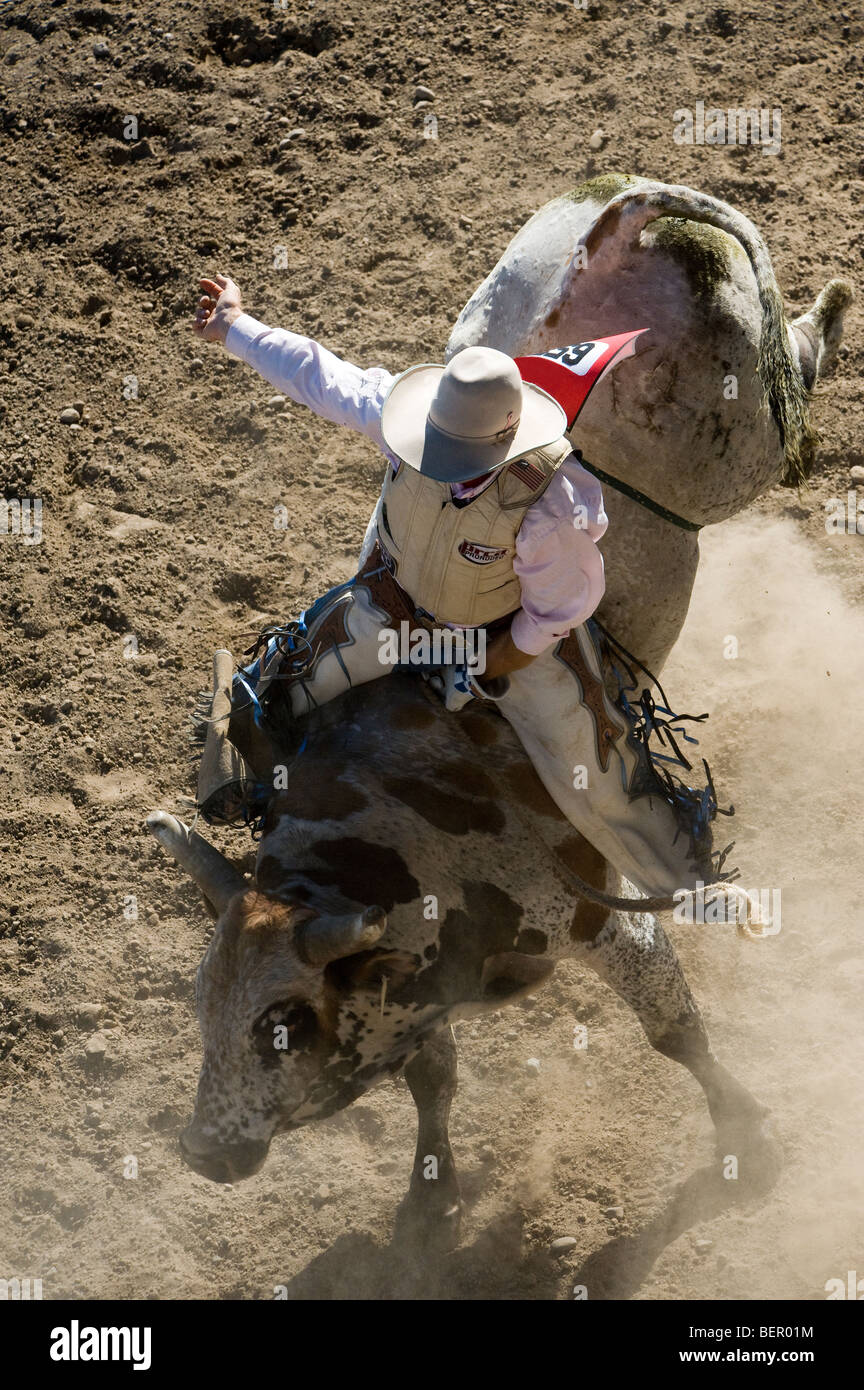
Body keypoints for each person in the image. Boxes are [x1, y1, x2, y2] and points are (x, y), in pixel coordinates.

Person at [191, 274, 723, 899]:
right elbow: (320, 375)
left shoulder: (555, 502)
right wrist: (234, 326)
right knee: (278, 691)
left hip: (505, 639)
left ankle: (690, 887)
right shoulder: (396, 413)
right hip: (389, 612)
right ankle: (264, 811)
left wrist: (477, 669)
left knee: (595, 774)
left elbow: (550, 618)